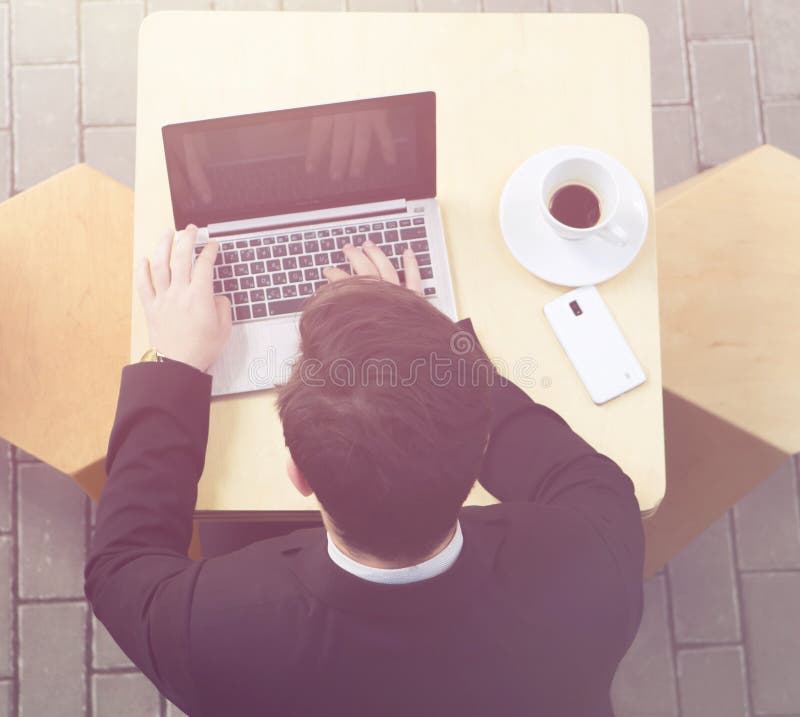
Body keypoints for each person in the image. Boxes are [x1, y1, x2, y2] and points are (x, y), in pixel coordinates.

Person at [85, 225, 645, 716]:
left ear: (298, 476)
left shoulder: (209, 628)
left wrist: (177, 365)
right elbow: (571, 473)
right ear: (482, 454)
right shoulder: (596, 561)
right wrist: (426, 345)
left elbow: (121, 564)